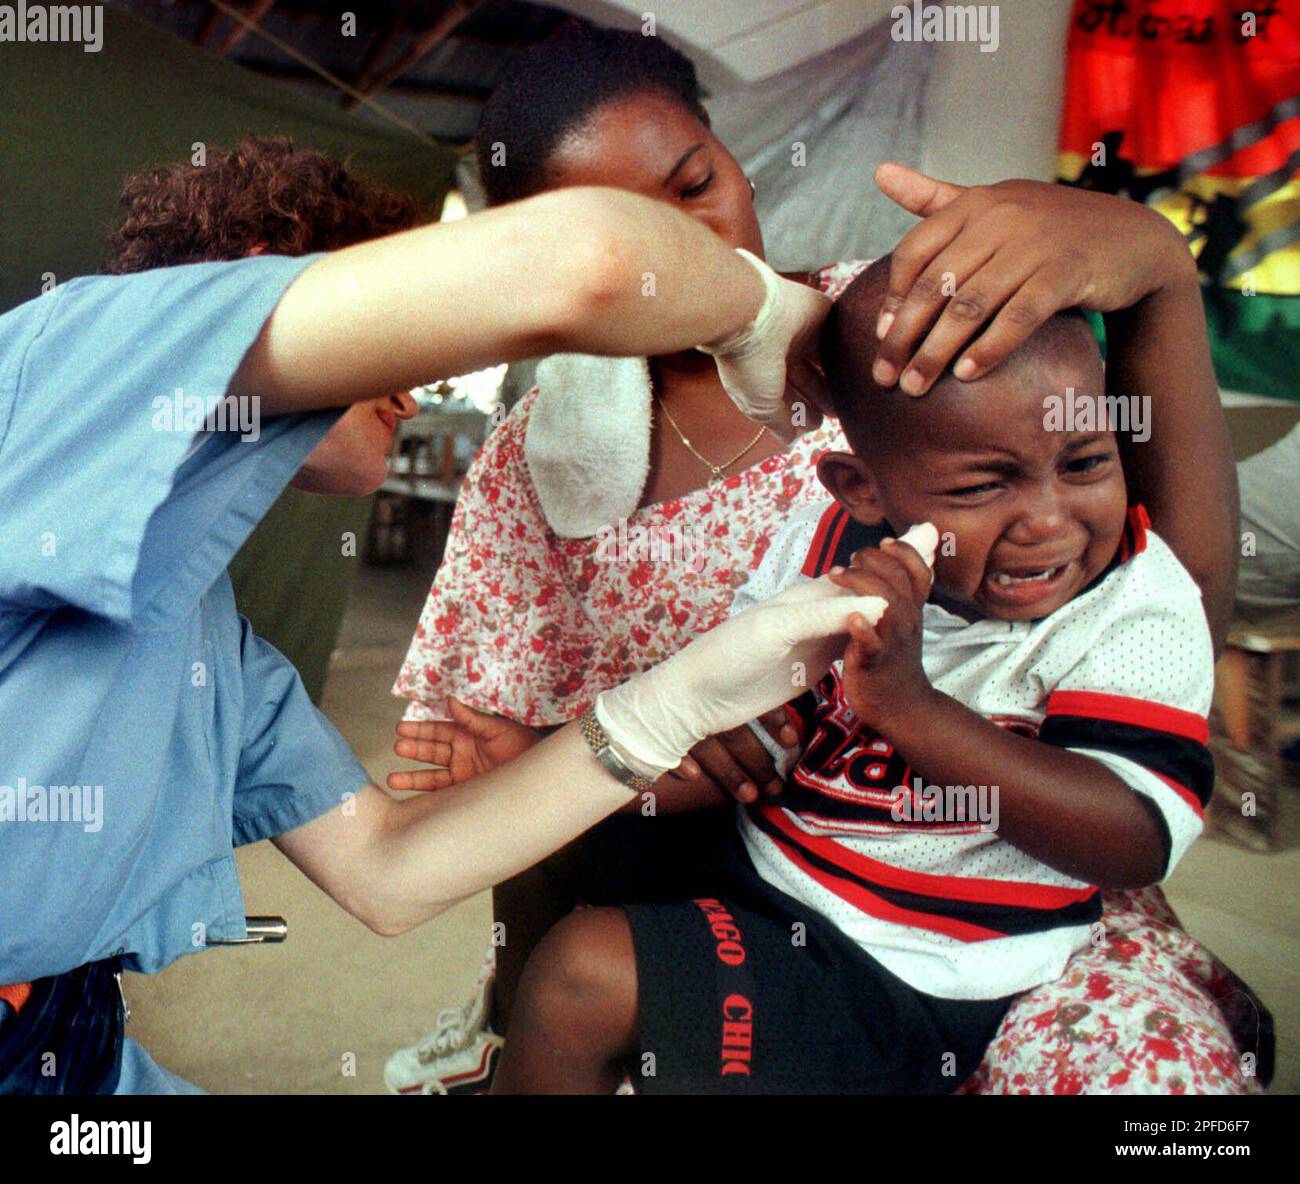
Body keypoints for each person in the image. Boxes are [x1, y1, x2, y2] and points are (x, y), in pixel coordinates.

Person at [385, 24, 1240, 1095]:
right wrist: (625, 756)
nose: (671, 251)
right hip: (761, 873)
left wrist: (1150, 262)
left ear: (729, 149)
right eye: (607, 232)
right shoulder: (537, 459)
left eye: (693, 183)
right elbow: (519, 803)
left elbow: (1159, 603)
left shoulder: (910, 337)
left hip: (1003, 903)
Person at [0, 136, 865, 1093]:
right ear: (260, 279)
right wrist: (772, 315)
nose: (413, 391)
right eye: (398, 346)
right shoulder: (58, 364)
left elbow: (387, 870)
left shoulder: (210, 646)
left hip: (63, 1044)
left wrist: (668, 706)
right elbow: (591, 261)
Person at [463, 255, 1220, 1093]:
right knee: (539, 818)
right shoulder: (826, 545)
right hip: (767, 868)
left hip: (911, 969)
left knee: (582, 981)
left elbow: (1132, 839)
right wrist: (601, 752)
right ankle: (502, 1039)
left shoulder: (1134, 608)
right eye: (983, 485)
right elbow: (759, 731)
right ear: (861, 489)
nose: (1049, 520)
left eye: (1085, 464)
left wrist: (909, 707)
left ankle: (551, 1035)